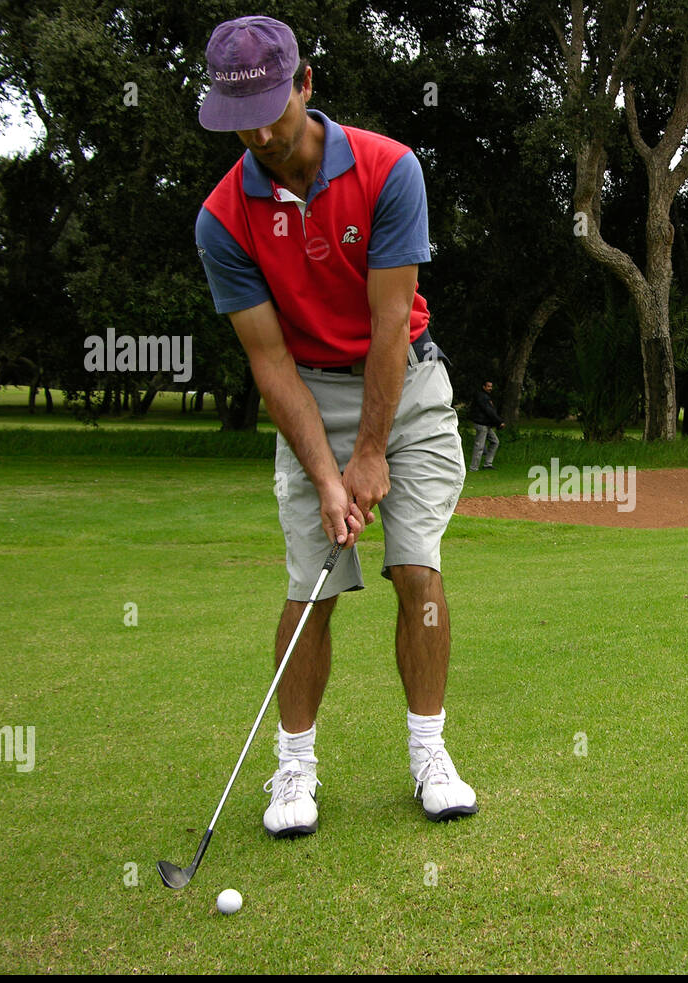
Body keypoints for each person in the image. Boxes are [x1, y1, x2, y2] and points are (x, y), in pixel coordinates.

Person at [194, 15, 476, 834]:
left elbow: (390, 325)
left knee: (415, 567)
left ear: (306, 84)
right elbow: (270, 365)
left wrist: (371, 456)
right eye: (237, 118)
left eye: (271, 111)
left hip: (407, 386)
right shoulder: (222, 219)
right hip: (308, 394)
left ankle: (430, 752)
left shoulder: (390, 169)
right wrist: (329, 475)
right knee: (310, 587)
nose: (258, 133)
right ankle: (294, 769)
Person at [469, 381, 504, 471]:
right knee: (479, 446)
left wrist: (497, 422)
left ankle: (488, 464)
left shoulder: (486, 397)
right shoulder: (482, 397)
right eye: (488, 386)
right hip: (481, 424)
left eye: (491, 386)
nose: (490, 388)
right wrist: (499, 422)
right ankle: (473, 468)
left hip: (486, 424)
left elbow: (490, 411)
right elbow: (489, 411)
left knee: (495, 442)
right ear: (483, 387)